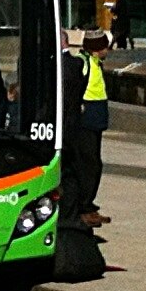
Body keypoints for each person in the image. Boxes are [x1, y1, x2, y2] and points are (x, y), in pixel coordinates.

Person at [75, 29, 112, 226]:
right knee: (88, 164)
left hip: (95, 119)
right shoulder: (83, 62)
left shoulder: (96, 63)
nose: (108, 50)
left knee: (94, 164)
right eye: (105, 46)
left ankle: (88, 206)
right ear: (97, 48)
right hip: (86, 120)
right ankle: (84, 207)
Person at [58, 31, 88, 223]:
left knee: (67, 171)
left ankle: (68, 212)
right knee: (72, 169)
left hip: (63, 125)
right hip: (73, 124)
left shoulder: (62, 65)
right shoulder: (76, 64)